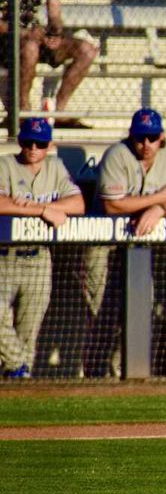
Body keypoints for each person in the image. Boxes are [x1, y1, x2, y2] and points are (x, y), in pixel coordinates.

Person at [83, 108, 166, 378]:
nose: (146, 144)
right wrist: (160, 199)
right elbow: (114, 206)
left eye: (152, 137)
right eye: (141, 138)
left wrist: (160, 209)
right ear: (132, 136)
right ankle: (95, 375)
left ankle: (120, 372)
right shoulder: (117, 155)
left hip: (141, 247)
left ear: (161, 136)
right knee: (101, 314)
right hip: (103, 245)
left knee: (141, 311)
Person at [0, 118, 84, 379]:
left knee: (29, 330)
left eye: (40, 143)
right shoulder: (5, 164)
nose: (33, 148)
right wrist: (43, 209)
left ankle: (20, 383)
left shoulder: (55, 167)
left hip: (38, 257)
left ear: (49, 145)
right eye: (28, 142)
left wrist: (29, 207)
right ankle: (16, 366)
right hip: (5, 256)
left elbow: (78, 204)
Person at [0, 0, 97, 129]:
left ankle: (58, 112)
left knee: (86, 49)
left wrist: (56, 33)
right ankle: (22, 112)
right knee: (30, 47)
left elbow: (54, 11)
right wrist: (23, 32)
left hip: (35, 34)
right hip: (6, 39)